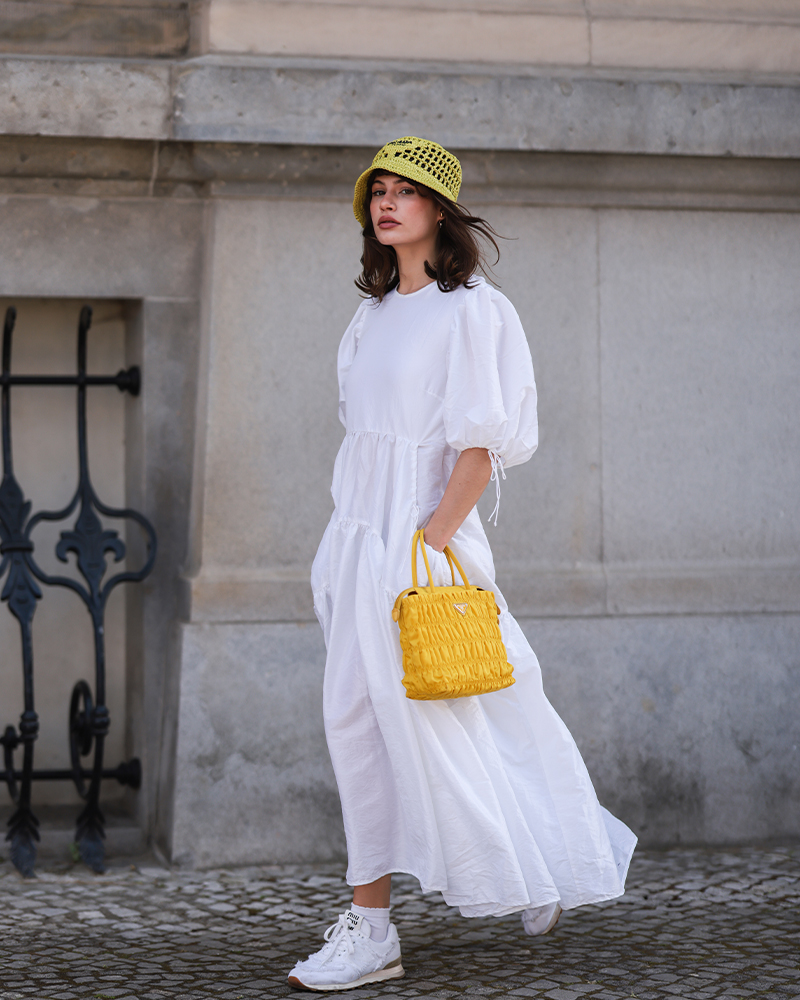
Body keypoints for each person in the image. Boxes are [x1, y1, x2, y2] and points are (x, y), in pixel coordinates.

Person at [288, 137, 636, 993]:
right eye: (378, 191)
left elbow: (479, 445)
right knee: (364, 725)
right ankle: (404, 914)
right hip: (358, 538)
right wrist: (346, 547)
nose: (387, 203)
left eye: (407, 192)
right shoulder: (370, 316)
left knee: (451, 718)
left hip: (419, 542)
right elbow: (359, 436)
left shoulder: (474, 310)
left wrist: (431, 541)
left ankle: (439, 901)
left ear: (441, 210)